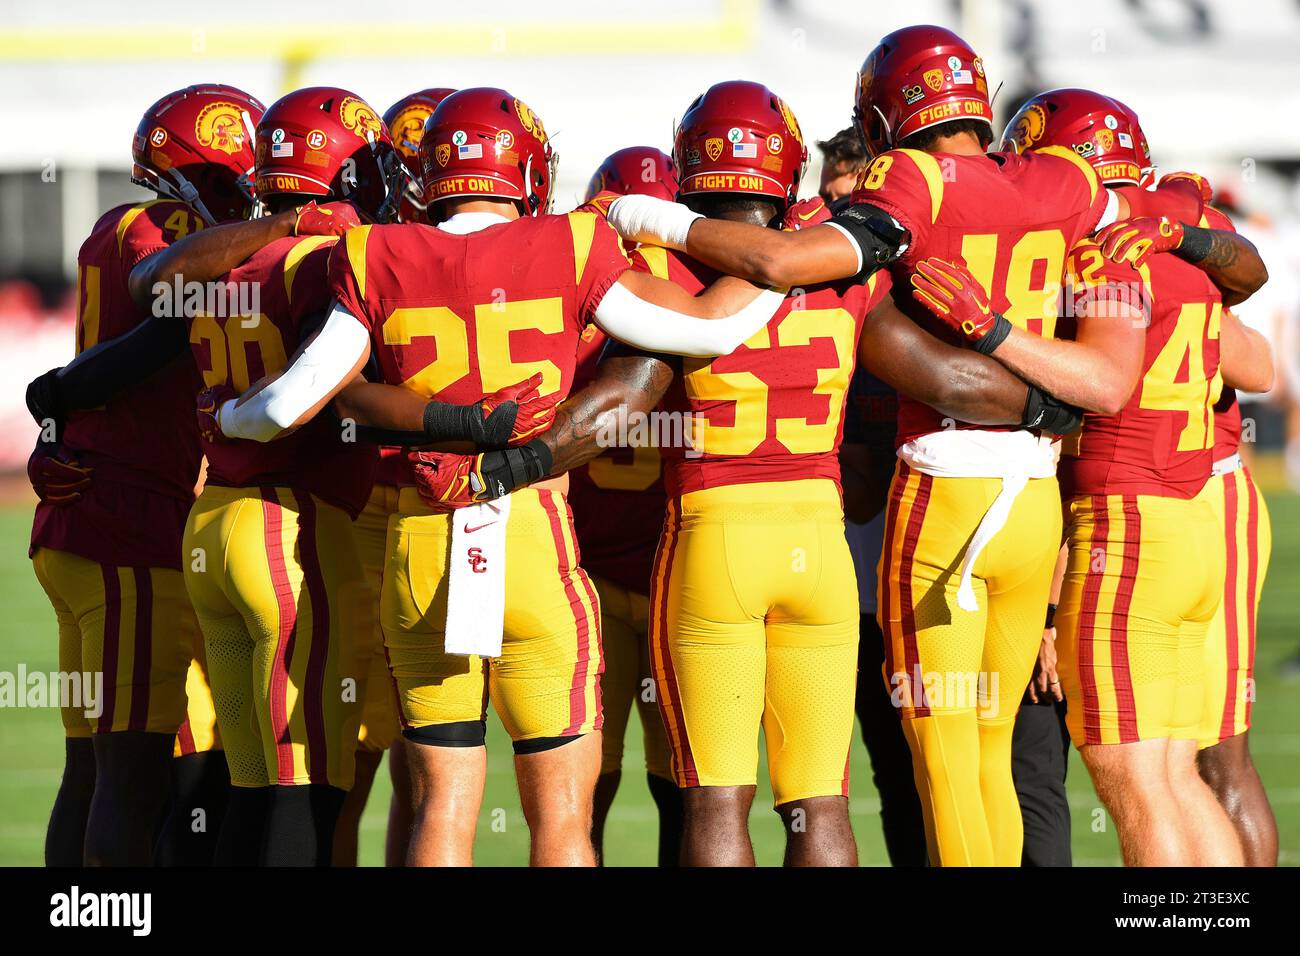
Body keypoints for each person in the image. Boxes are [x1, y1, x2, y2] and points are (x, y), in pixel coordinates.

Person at [24, 83, 263, 865]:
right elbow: (167, 320)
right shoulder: (165, 232)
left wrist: (57, 410)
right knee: (127, 774)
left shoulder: (114, 226)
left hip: (99, 511)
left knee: (97, 769)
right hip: (129, 517)